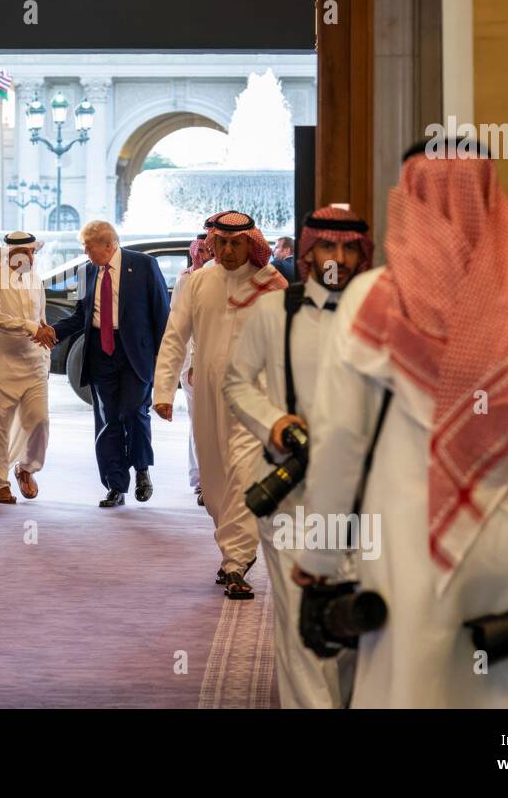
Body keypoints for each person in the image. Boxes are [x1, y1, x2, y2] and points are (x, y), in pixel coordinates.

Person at [293, 154, 508, 708]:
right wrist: (491, 473)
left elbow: (340, 443)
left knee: (417, 691)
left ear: (410, 203)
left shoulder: (371, 300)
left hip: (411, 544)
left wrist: (321, 557)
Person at [223, 205, 374, 706]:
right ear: (308, 252)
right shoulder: (274, 312)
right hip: (291, 493)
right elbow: (236, 382)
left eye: (349, 249)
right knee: (299, 623)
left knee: (356, 626)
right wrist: (274, 422)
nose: (338, 259)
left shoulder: (383, 318)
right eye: (328, 246)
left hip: (365, 497)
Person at [154, 211, 287, 598]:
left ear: (251, 244)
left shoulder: (271, 285)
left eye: (236, 243)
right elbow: (175, 336)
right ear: (212, 243)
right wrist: (163, 391)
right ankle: (234, 549)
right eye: (222, 243)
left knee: (245, 474)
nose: (228, 251)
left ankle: (236, 562)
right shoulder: (198, 282)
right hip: (208, 393)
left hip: (256, 396)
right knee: (213, 485)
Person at [42, 220, 169, 507]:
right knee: (107, 417)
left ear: (108, 245)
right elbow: (80, 315)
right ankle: (115, 485)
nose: (85, 252)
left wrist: (163, 359)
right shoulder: (87, 272)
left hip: (135, 352)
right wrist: (53, 332)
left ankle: (142, 470)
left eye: (88, 247)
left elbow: (161, 313)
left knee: (134, 411)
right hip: (101, 351)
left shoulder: (144, 266)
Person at [0, 230, 51, 504]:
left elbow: (40, 318)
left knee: (40, 420)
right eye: (26, 252)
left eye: (33, 252)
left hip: (33, 362)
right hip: (2, 362)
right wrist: (31, 327)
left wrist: (44, 338)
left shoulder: (35, 278)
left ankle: (26, 467)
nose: (31, 257)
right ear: (10, 254)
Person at [174, 232, 214, 506]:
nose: (203, 255)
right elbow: (179, 326)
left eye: (207, 250)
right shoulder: (186, 279)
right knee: (199, 420)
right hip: (192, 361)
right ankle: (201, 480)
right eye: (198, 251)